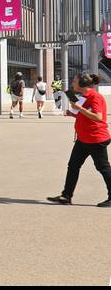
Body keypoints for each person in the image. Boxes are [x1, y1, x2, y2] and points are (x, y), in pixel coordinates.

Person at [47, 72, 111, 207]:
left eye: (74, 81)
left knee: (103, 168)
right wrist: (74, 114)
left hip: (96, 139)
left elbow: (98, 117)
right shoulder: (84, 97)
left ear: (82, 83)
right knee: (73, 166)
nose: (72, 84)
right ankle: (66, 196)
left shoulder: (94, 97)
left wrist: (79, 108)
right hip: (83, 139)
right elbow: (86, 116)